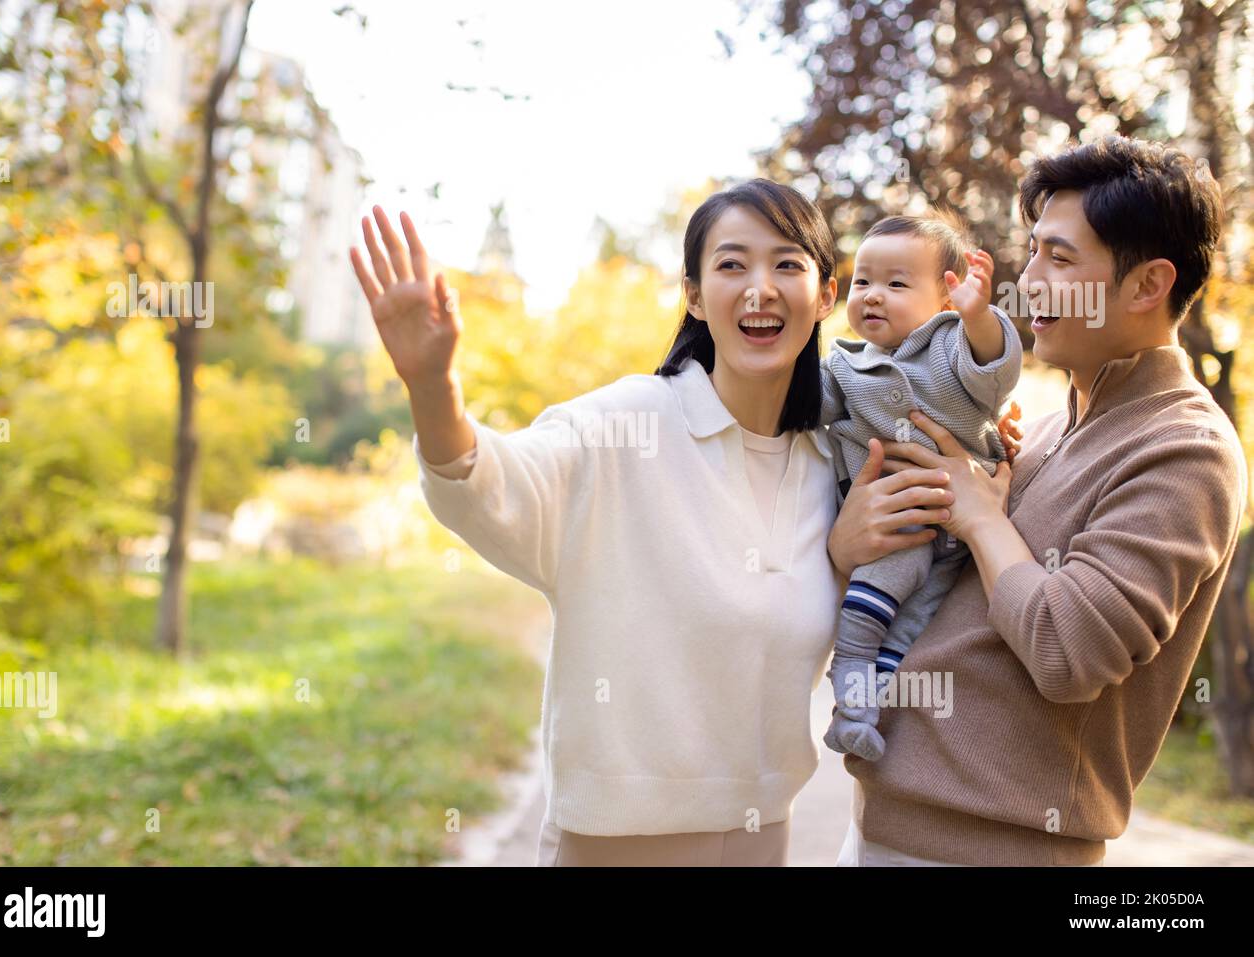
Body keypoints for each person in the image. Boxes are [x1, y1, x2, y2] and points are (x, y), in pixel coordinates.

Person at [349, 179, 990, 865]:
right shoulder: (627, 425)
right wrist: (433, 389)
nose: (760, 288)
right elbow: (486, 486)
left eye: (786, 264)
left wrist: (842, 554)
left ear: (825, 295)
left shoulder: (831, 460)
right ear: (693, 294)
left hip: (761, 839)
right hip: (613, 844)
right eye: (732, 264)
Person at [837, 135, 1246, 867]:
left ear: (1148, 284)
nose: (1028, 281)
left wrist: (982, 515)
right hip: (884, 829)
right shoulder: (1047, 429)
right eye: (1031, 253)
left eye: (1059, 258)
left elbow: (1067, 649)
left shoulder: (1185, 447)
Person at [820, 213, 1022, 761]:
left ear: (945, 300)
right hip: (900, 522)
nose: (873, 296)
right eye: (863, 282)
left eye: (897, 283)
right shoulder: (844, 365)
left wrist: (979, 317)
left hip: (956, 533)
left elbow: (994, 369)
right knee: (869, 617)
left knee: (910, 629)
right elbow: (797, 406)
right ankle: (854, 704)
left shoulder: (950, 347)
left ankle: (867, 707)